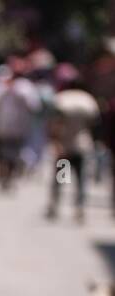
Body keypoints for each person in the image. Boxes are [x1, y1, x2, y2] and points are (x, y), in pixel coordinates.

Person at [46, 64, 100, 223]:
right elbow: (95, 124)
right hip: (82, 146)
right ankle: (80, 208)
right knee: (81, 180)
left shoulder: (62, 99)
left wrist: (55, 142)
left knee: (62, 179)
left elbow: (55, 124)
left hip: (65, 147)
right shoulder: (88, 100)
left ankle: (55, 205)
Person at [0, 58, 41, 191]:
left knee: (12, 155)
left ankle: (8, 178)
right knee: (1, 155)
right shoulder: (0, 86)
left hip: (17, 128)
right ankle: (2, 177)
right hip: (3, 127)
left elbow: (33, 106)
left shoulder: (25, 88)